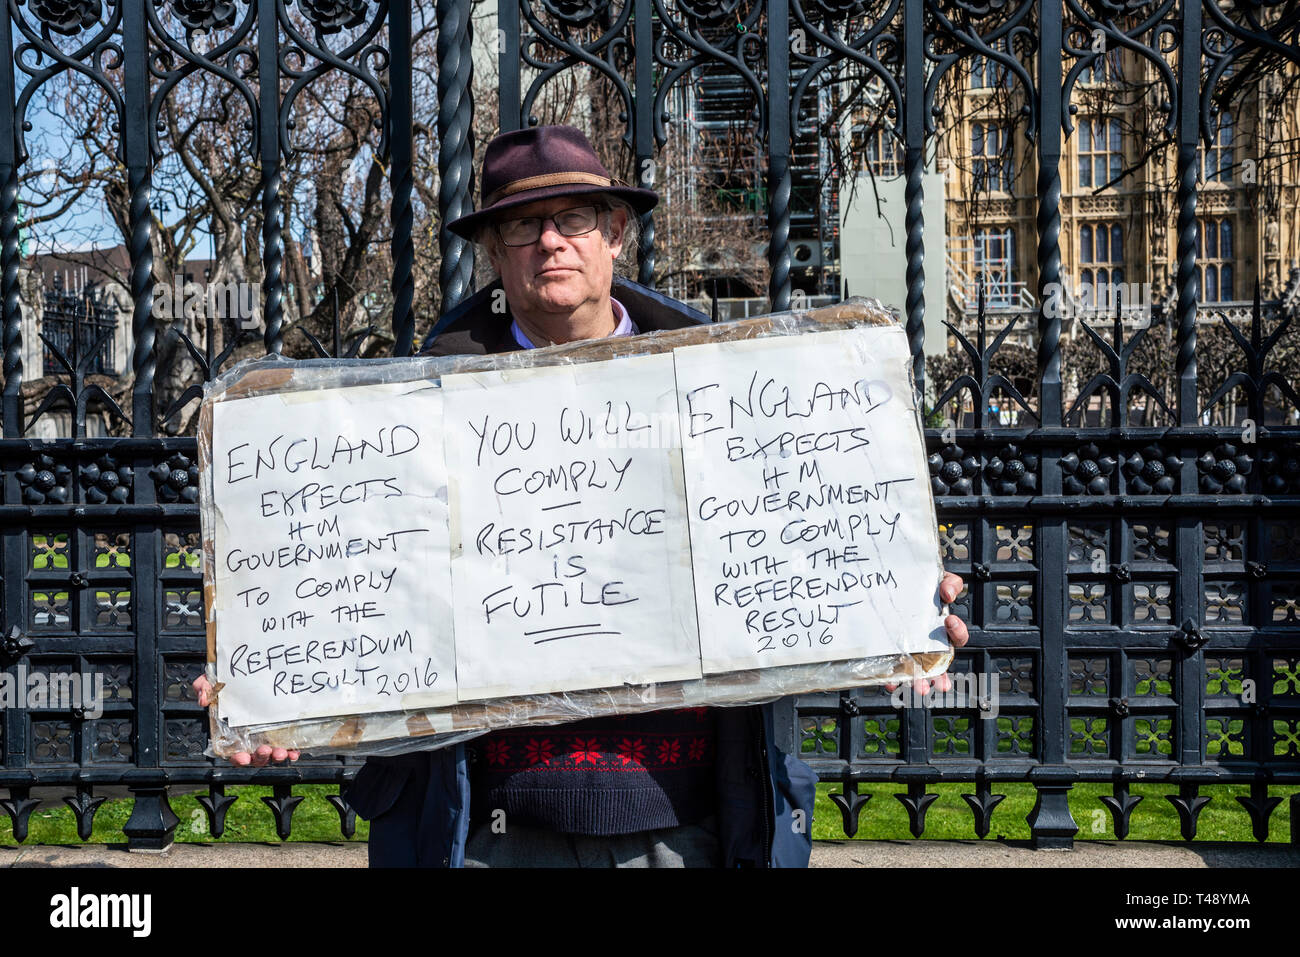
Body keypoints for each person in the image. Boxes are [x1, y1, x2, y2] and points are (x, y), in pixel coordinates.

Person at [194, 125, 969, 867]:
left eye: (574, 217)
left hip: (688, 826)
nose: (551, 240)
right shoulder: (405, 418)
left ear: (615, 234)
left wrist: (893, 610)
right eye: (523, 226)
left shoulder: (732, 391)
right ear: (495, 252)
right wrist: (268, 684)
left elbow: (808, 543)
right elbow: (351, 581)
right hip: (485, 833)